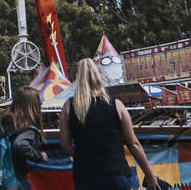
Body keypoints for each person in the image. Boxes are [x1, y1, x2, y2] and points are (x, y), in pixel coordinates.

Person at [59, 58, 160, 190]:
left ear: (78, 78)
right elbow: (133, 144)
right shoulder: (117, 105)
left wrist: (83, 156)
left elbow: (65, 144)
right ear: (98, 76)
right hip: (116, 174)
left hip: (85, 176)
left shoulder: (68, 107)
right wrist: (149, 175)